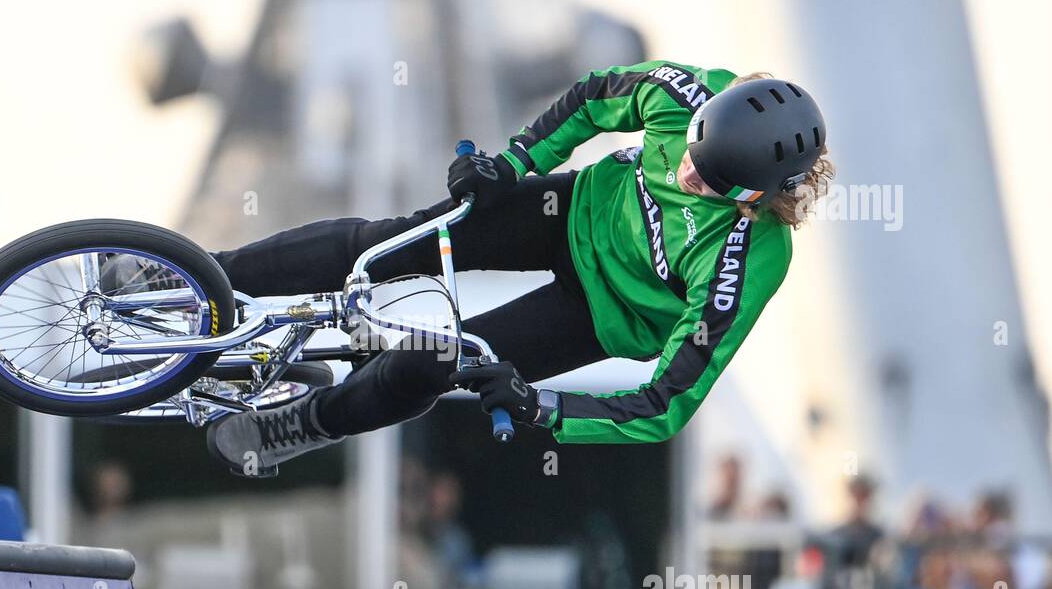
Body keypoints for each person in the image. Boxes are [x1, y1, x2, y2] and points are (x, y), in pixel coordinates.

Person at [207, 61, 833, 476]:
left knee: (438, 361)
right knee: (391, 244)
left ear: (755, 198)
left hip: (598, 318)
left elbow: (665, 403)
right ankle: (199, 272)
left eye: (713, 183)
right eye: (694, 152)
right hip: (569, 212)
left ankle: (300, 426)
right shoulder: (687, 92)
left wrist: (542, 407)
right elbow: (592, 101)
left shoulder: (752, 257)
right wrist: (513, 163)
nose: (688, 174)